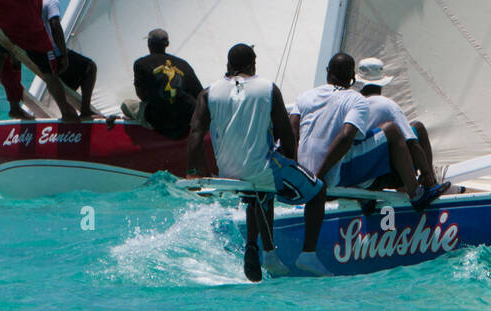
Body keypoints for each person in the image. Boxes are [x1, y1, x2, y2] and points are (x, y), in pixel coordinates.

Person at [289, 53, 449, 275]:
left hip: (306, 175)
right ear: (351, 80)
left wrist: (296, 171)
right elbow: (353, 139)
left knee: (383, 140)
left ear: (329, 73)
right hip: (336, 175)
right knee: (404, 131)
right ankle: (417, 194)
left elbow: (292, 131)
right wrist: (429, 179)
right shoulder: (361, 102)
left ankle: (366, 196)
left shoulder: (310, 97)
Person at [186, 44, 297, 282]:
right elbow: (286, 134)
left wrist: (193, 172)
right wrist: (292, 164)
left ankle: (251, 246)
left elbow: (195, 132)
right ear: (252, 65)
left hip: (228, 172)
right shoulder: (268, 89)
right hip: (259, 170)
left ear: (228, 66)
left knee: (254, 187)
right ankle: (269, 252)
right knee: (269, 181)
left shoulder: (208, 93)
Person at [354, 56, 441, 191]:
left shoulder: (351, 105)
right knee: (418, 127)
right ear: (382, 82)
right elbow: (412, 143)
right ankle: (430, 184)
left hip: (355, 175)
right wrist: (425, 173)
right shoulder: (387, 106)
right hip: (378, 176)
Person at [30, 0, 99, 118]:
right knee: (89, 67)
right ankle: (85, 111)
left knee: (64, 79)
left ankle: (67, 111)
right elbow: (55, 26)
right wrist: (64, 54)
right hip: (50, 51)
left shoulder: (23, 1)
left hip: (33, 53)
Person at [127, 29, 202, 139]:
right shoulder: (183, 64)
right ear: (167, 44)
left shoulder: (141, 64)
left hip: (159, 118)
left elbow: (142, 95)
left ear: (149, 44)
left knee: (126, 104)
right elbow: (199, 93)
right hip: (186, 118)